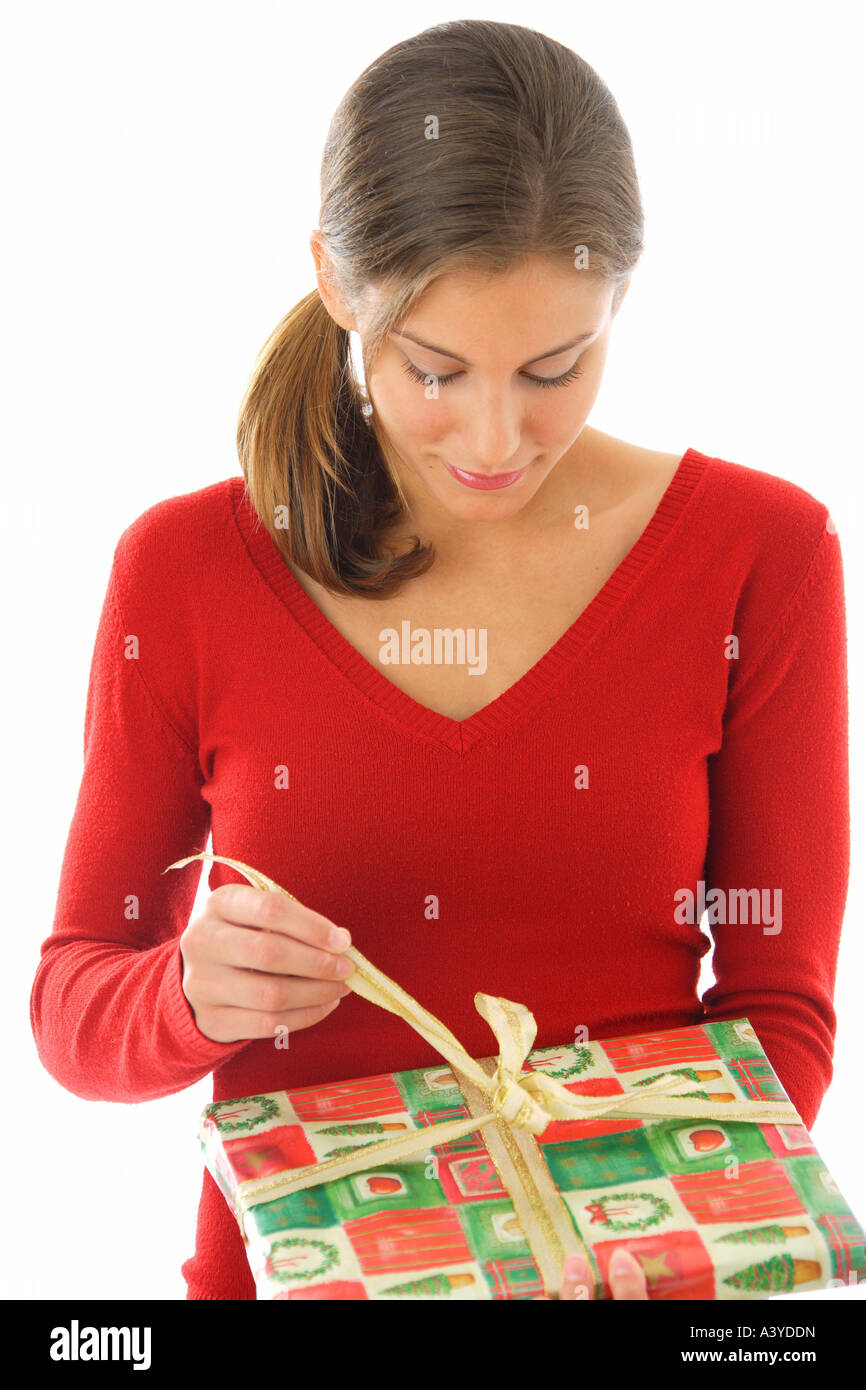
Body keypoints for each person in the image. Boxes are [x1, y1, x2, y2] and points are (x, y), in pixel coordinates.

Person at [30, 19, 849, 1303]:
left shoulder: (762, 553)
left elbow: (776, 1007)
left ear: (618, 303)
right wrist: (186, 996)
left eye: (551, 368)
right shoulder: (184, 568)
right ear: (337, 286)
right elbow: (74, 1011)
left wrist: (658, 1237)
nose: (493, 437)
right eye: (434, 368)